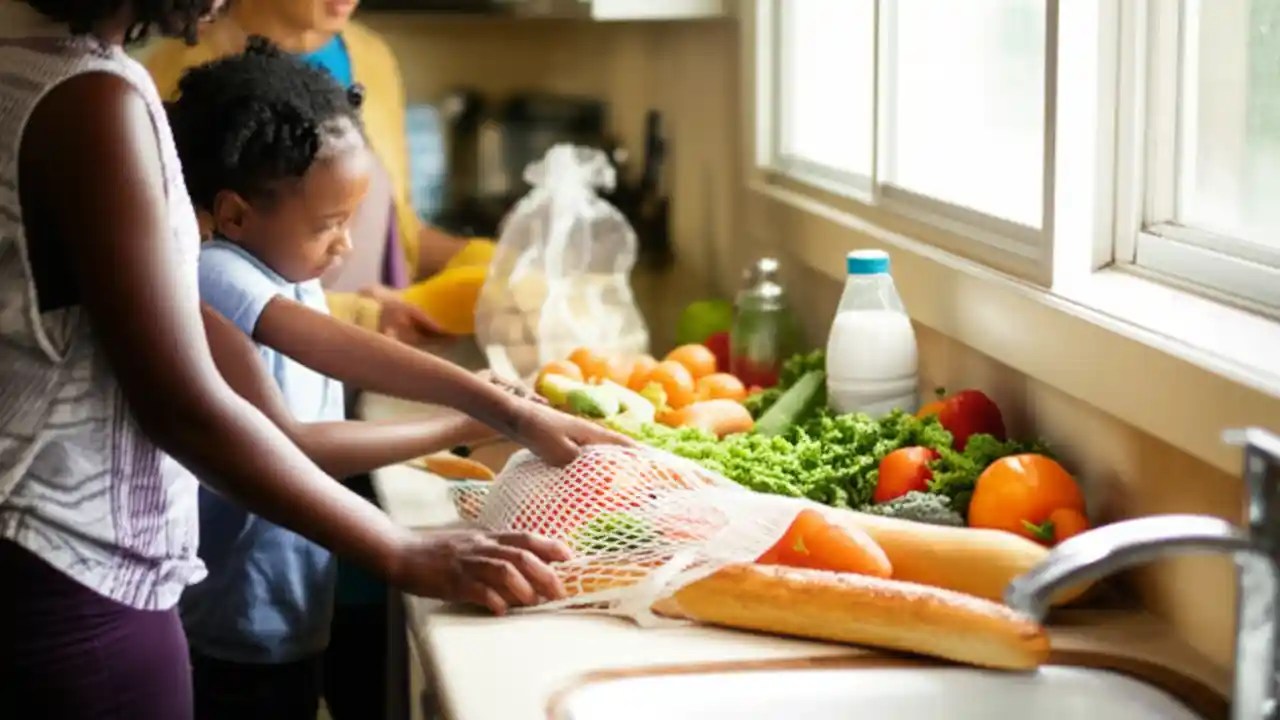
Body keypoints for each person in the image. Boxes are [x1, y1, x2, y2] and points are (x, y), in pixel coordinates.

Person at [0, 3, 622, 718]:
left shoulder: (59, 70)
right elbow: (189, 406)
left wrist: (498, 406)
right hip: (79, 578)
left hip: (78, 571)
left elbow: (266, 339)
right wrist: (405, 546)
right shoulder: (89, 99)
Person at [167, 39, 576, 719]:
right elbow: (294, 443)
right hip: (239, 612)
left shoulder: (275, 274)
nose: (346, 246)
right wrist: (466, 419)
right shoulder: (217, 273)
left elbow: (345, 354)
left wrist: (483, 403)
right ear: (235, 213)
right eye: (329, 225)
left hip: (282, 597)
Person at [145, 0, 480, 345]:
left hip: (374, 363)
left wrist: (489, 259)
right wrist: (362, 318)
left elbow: (394, 230)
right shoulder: (175, 79)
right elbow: (193, 276)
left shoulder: (370, 56)